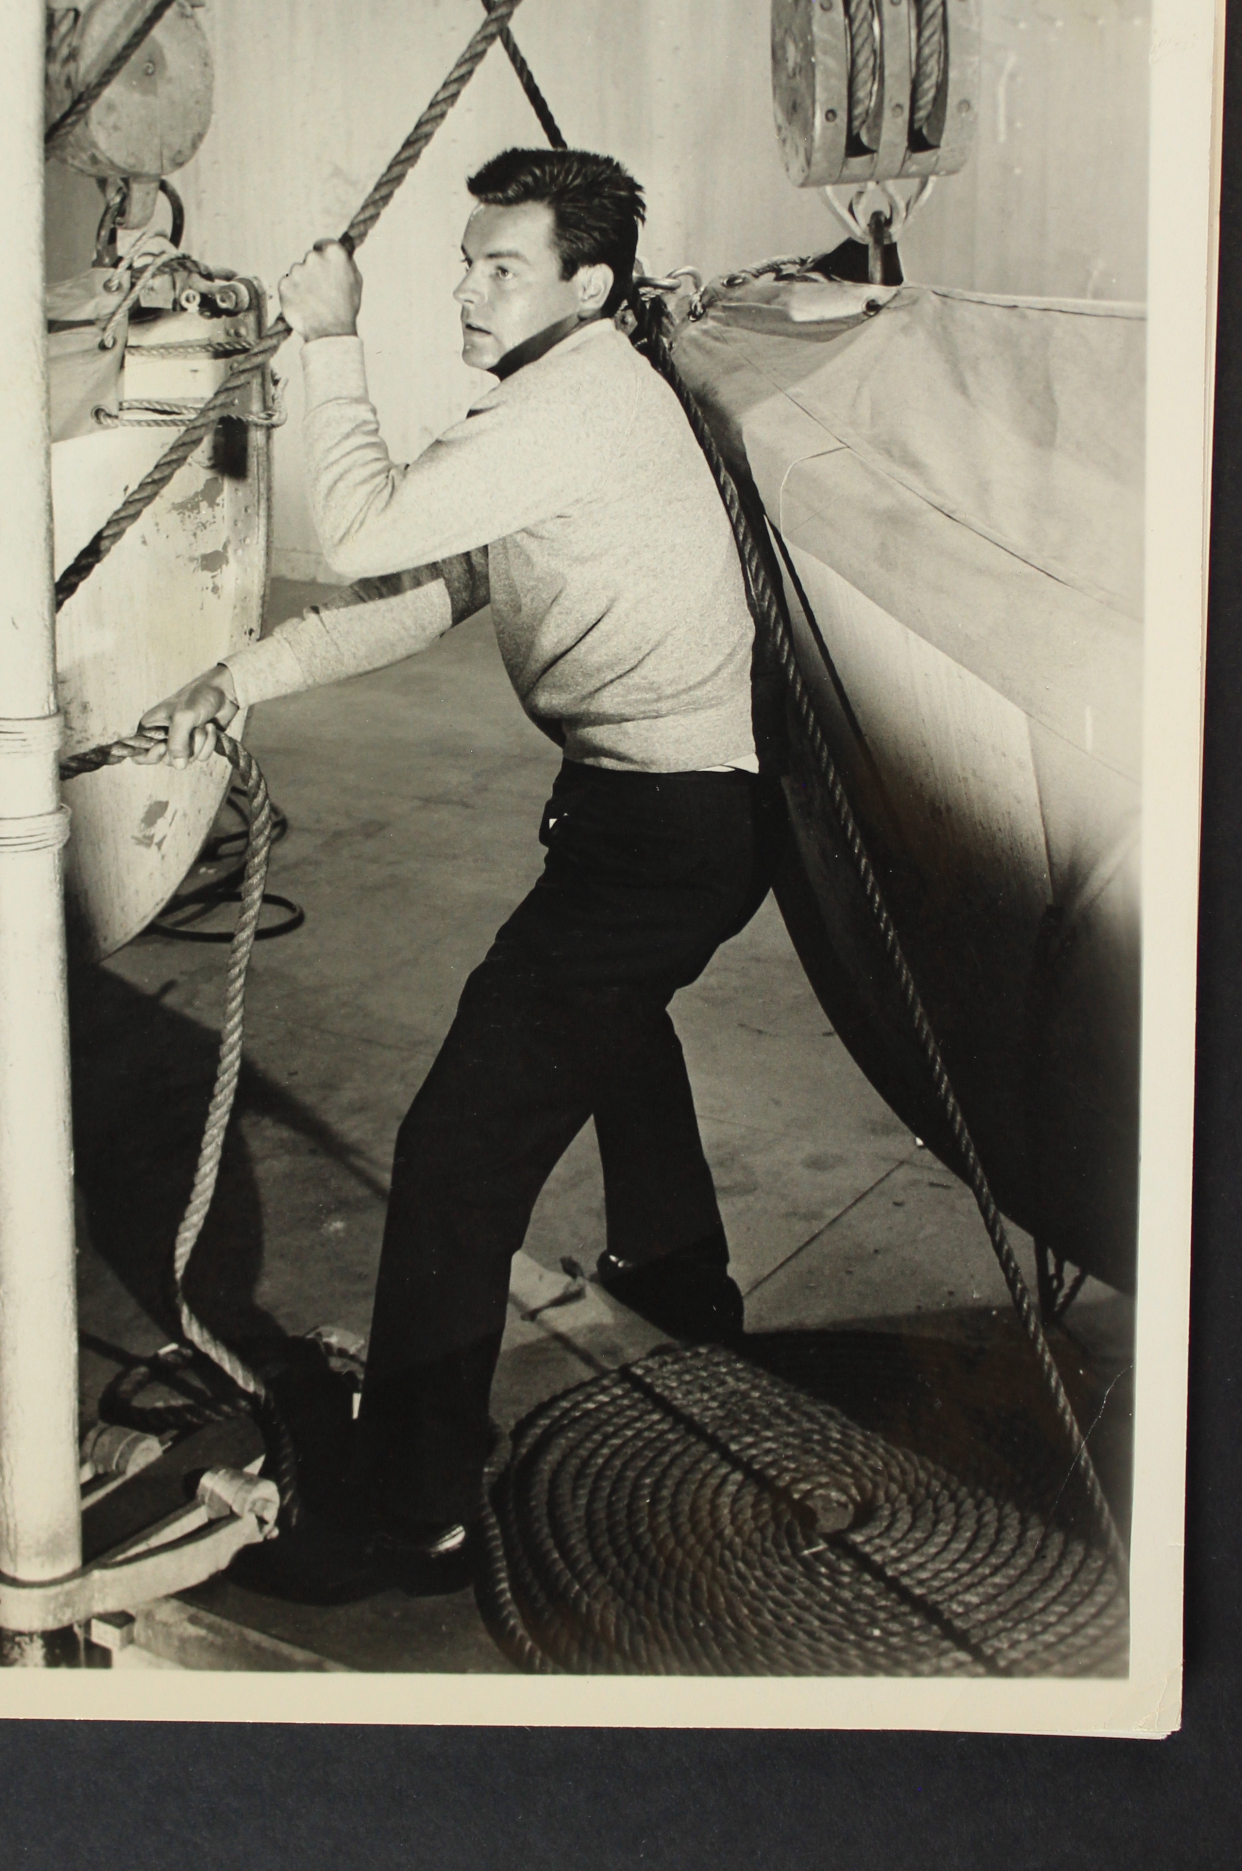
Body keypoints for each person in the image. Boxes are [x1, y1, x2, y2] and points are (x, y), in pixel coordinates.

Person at [135, 148, 768, 1594]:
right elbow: (427, 587)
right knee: (605, 1019)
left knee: (457, 1151)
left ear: (585, 286)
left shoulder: (582, 407)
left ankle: (409, 1503)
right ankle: (675, 1277)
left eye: (500, 267)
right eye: (465, 263)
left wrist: (332, 337)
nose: (468, 293)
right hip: (653, 815)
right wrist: (249, 669)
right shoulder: (558, 406)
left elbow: (358, 530)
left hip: (667, 827)